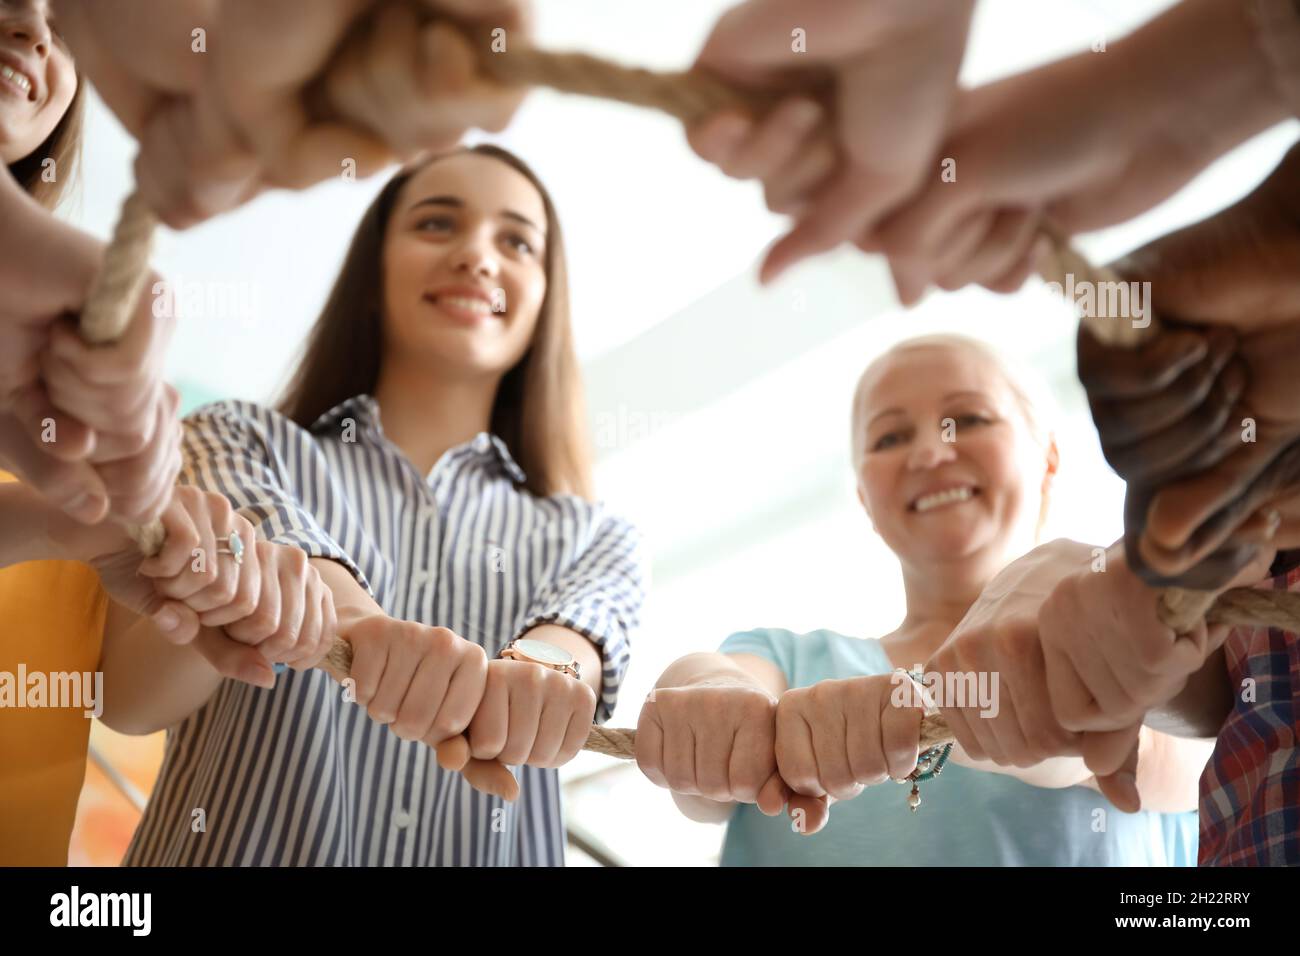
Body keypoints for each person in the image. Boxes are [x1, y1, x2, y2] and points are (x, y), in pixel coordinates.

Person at [122, 145, 648, 866]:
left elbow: (576, 644)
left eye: (516, 241)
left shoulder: (597, 536)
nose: (477, 255)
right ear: (373, 276)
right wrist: (353, 621)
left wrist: (542, 675)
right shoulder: (235, 437)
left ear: (545, 299)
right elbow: (131, 697)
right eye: (437, 225)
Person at [638, 334, 1207, 865]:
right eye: (890, 438)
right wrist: (707, 698)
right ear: (864, 497)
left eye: (969, 419)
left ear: (1048, 459)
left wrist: (1058, 730)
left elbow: (1184, 761)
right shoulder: (789, 666)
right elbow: (712, 705)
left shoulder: (1144, 644)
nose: (932, 453)